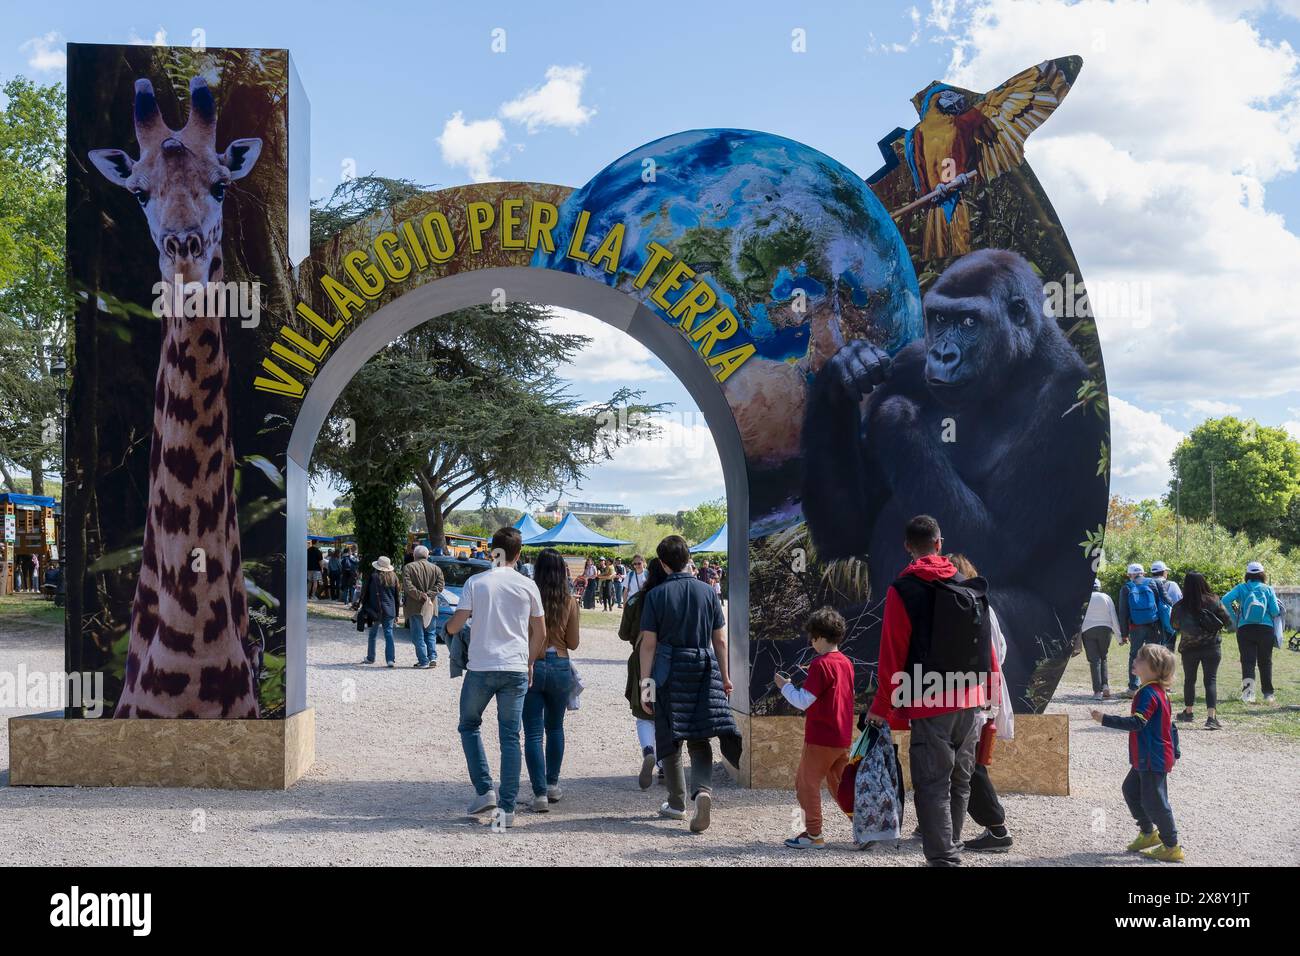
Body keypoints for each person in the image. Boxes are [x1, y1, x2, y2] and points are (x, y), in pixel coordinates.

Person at [865, 515, 1000, 867]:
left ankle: (944, 860)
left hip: (928, 701)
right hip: (970, 701)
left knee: (932, 784)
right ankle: (950, 850)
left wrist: (882, 705)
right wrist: (989, 693)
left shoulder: (903, 590)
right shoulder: (970, 587)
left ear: (908, 547)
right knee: (960, 782)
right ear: (940, 543)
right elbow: (987, 650)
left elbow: (892, 653)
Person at [445, 527, 545, 829]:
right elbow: (540, 632)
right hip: (514, 666)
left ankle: (484, 788)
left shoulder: (476, 583)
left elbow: (455, 625)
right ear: (519, 554)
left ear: (492, 551)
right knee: (510, 737)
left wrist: (449, 628)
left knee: (469, 724)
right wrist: (529, 662)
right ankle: (506, 809)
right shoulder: (528, 586)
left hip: (481, 666)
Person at [638, 534, 738, 832]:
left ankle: (677, 802)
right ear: (687, 558)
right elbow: (719, 640)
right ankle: (703, 791)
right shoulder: (708, 592)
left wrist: (646, 685)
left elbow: (648, 645)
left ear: (663, 564)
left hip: (669, 669)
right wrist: (726, 676)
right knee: (699, 734)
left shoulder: (656, 595)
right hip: (702, 668)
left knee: (668, 735)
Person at [945, 553, 1015, 853]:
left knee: (968, 764)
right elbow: (1001, 649)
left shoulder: (968, 607)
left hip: (971, 695)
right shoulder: (980, 605)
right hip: (975, 694)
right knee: (956, 761)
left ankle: (997, 828)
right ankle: (943, 823)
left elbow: (993, 651)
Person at [1090, 643, 1184, 863]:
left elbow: (1137, 723)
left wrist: (1105, 719)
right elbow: (1170, 726)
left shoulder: (1149, 693)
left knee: (1155, 801)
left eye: (1140, 658)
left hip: (1152, 757)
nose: (1135, 660)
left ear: (1153, 667)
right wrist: (1175, 750)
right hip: (1148, 757)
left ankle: (1172, 845)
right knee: (1131, 790)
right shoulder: (1156, 691)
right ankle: (1148, 833)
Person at [774, 606, 854, 849]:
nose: (810, 642)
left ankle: (814, 834)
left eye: (812, 637)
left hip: (820, 737)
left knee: (806, 785)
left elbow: (802, 701)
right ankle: (867, 828)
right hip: (842, 736)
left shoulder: (820, 664)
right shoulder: (846, 662)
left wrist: (784, 686)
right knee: (842, 787)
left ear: (819, 636)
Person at [522, 548, 579, 812]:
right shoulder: (569, 601)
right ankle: (553, 783)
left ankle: (539, 793)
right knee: (555, 728)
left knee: (533, 733)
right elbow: (574, 643)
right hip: (560, 663)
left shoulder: (527, 597)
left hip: (532, 663)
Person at [619, 557, 669, 788]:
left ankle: (649, 750)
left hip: (642, 660)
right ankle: (665, 764)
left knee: (643, 712)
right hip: (670, 659)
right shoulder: (672, 597)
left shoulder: (636, 600)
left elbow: (623, 633)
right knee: (667, 713)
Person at [1170, 571, 1232, 730]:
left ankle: (1189, 712)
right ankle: (1211, 717)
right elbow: (1227, 620)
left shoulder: (1179, 605)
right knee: (1210, 680)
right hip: (1212, 647)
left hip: (1189, 647)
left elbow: (1174, 625)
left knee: (1190, 680)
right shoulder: (1214, 600)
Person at [1221, 561, 1282, 704]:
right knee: (1265, 662)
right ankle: (1268, 694)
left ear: (1248, 574)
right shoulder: (1268, 589)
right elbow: (1275, 611)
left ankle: (1248, 694)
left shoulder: (1241, 587)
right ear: (1262, 574)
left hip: (1245, 629)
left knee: (1247, 662)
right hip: (1265, 629)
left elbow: (1225, 599)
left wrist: (1234, 616)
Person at [1116, 564, 1162, 698]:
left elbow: (1123, 613)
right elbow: (1160, 605)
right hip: (1153, 624)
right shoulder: (1152, 583)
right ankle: (1155, 686)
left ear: (1130, 575)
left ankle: (1133, 688)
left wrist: (1124, 634)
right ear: (1143, 573)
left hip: (1136, 627)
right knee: (1153, 655)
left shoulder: (1126, 587)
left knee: (1134, 656)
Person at [402, 545, 445, 669]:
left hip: (415, 606)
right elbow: (440, 585)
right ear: (427, 556)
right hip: (431, 606)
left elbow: (408, 586)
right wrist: (429, 595)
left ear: (414, 556)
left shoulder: (408, 568)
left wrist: (421, 595)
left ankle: (423, 660)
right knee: (431, 633)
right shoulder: (437, 569)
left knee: (418, 635)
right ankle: (433, 657)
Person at [1080, 578, 1121, 700]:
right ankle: (1105, 686)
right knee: (1104, 657)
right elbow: (1113, 616)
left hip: (1088, 629)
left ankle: (1097, 692)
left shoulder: (1084, 598)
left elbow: (1079, 616)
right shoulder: (1106, 597)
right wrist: (1119, 637)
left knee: (1094, 660)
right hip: (1106, 629)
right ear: (1099, 586)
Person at [357, 556, 400, 667]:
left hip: (374, 610)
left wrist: (363, 607)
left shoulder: (374, 577)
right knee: (389, 634)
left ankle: (371, 657)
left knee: (372, 634)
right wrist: (397, 613)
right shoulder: (394, 577)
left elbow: (367, 593)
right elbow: (396, 597)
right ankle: (390, 660)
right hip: (390, 610)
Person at [1148, 561, 1180, 648]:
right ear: (1164, 572)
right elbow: (1178, 602)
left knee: (1153, 651)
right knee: (1168, 651)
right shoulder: (1172, 585)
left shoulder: (1146, 584)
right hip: (1168, 622)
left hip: (1149, 622)